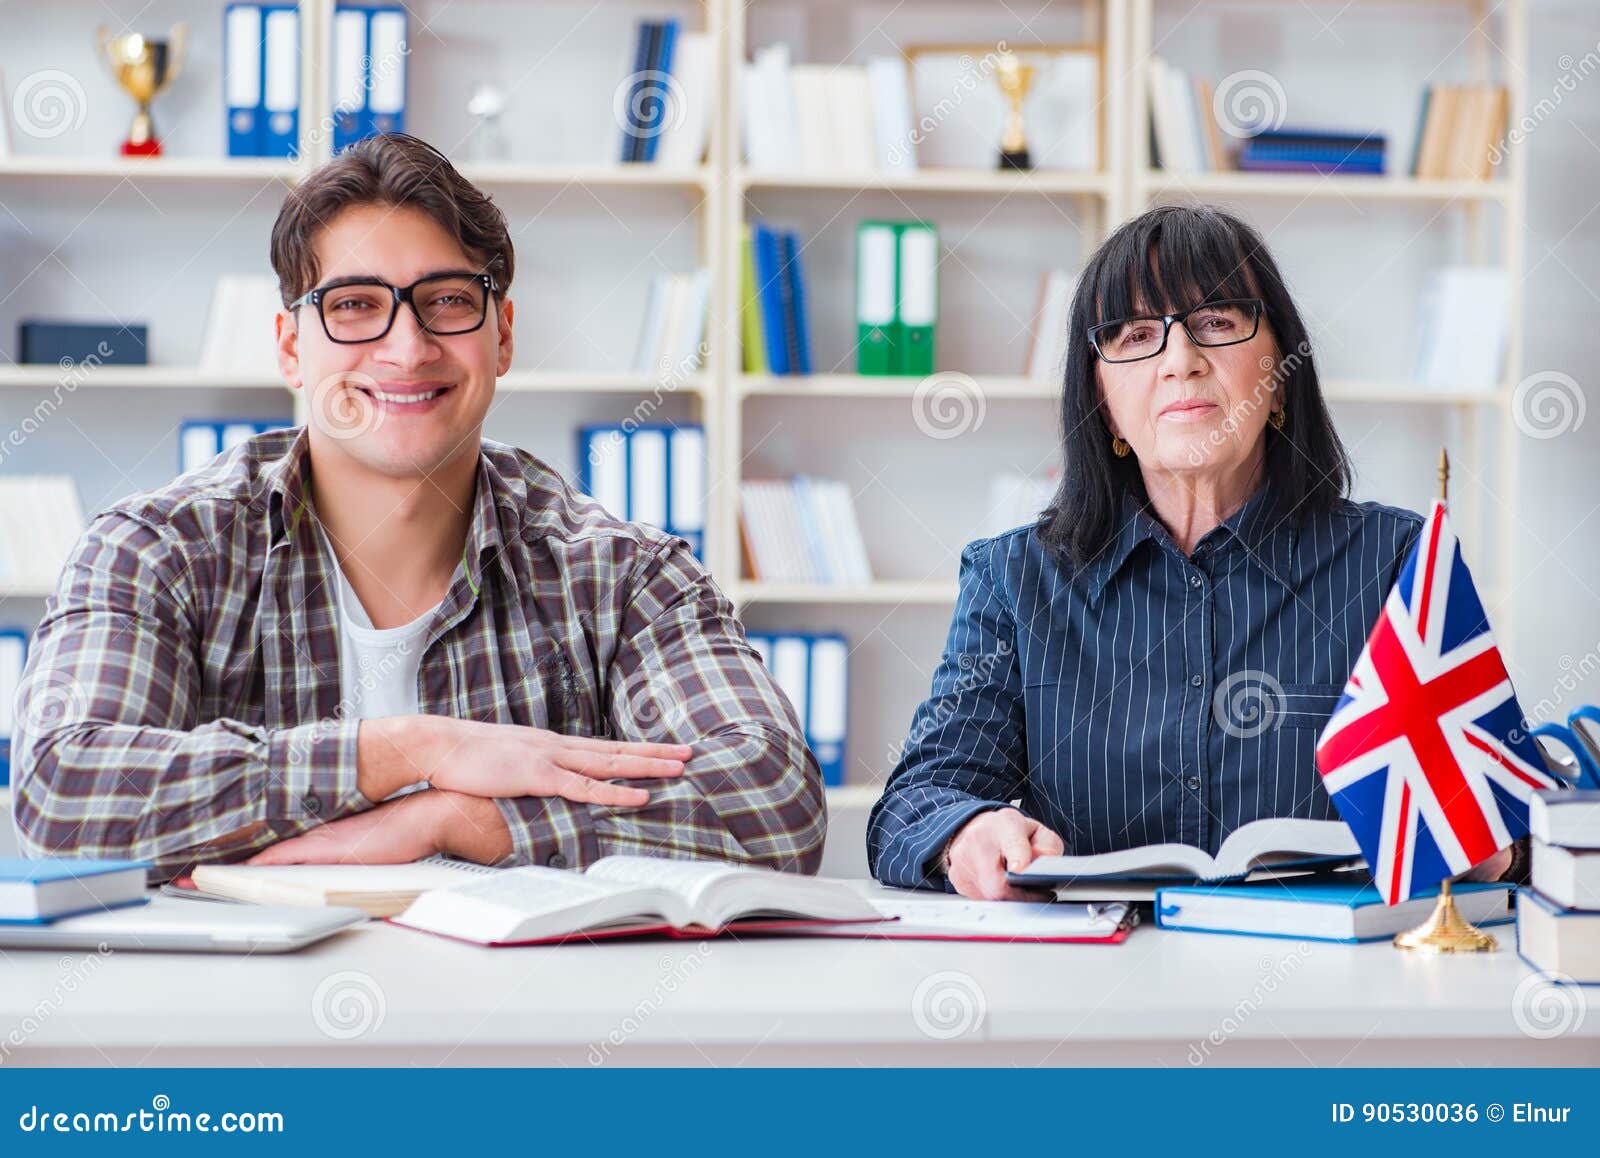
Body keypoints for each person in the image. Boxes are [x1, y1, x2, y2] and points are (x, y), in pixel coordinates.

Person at [11, 133, 825, 882]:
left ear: (502, 336)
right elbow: (61, 799)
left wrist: (464, 818)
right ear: (293, 347)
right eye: (356, 305)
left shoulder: (623, 574)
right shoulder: (155, 550)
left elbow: (775, 804)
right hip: (240, 1027)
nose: (408, 347)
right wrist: (411, 749)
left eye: (445, 300)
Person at [868, 203, 1519, 899]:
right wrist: (967, 834)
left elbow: (1512, 812)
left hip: (1330, 983)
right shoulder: (1013, 580)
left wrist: (1493, 843)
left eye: (1216, 323)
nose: (1181, 361)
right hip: (1097, 988)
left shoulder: (1396, 560)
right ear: (1102, 400)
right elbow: (918, 800)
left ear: (1280, 373)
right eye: (1137, 334)